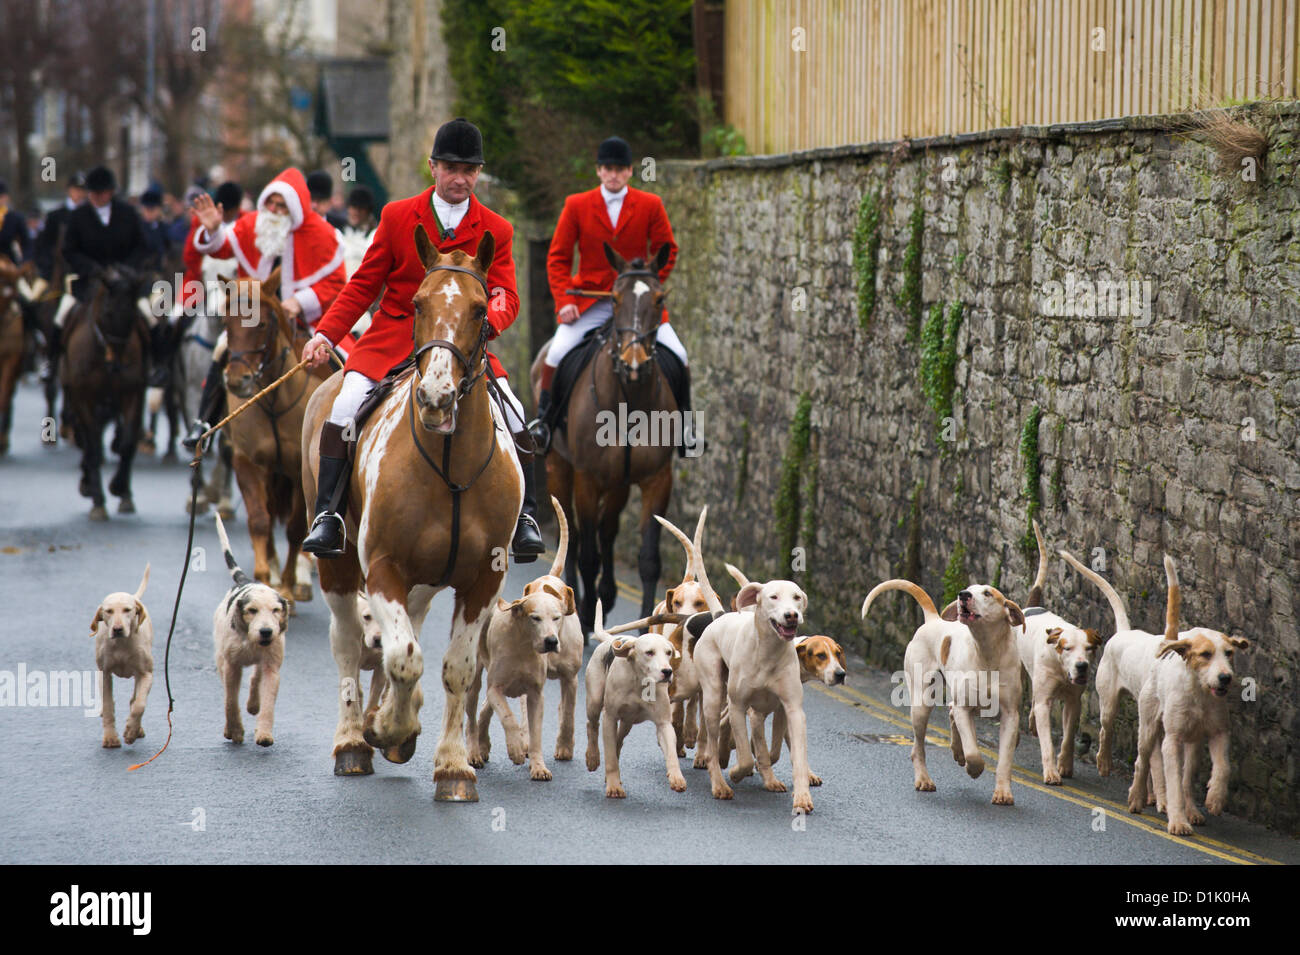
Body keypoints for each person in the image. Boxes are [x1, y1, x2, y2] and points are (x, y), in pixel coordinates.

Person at [298, 117, 544, 561]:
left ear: (478, 173)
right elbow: (363, 285)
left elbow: (506, 291)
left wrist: (491, 321)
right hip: (396, 332)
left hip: (464, 343)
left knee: (517, 410)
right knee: (345, 402)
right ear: (433, 167)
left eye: (469, 170)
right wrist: (325, 334)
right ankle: (329, 516)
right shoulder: (396, 216)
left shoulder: (497, 229)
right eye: (451, 168)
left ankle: (526, 515)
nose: (461, 178)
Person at [530, 135, 697, 455]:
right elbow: (558, 258)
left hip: (637, 304)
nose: (614, 175)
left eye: (620, 169)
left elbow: (668, 249)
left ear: (631, 172)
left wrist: (646, 289)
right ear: (598, 171)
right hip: (591, 300)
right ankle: (544, 423)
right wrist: (564, 302)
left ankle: (686, 429)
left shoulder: (650, 205)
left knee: (680, 354)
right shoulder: (576, 205)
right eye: (608, 168)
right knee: (556, 353)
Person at [180, 168, 347, 451]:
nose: (275, 210)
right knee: (223, 348)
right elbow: (221, 248)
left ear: (295, 208)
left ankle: (346, 426)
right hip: (255, 314)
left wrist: (300, 301)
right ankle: (204, 422)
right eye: (271, 203)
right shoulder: (253, 224)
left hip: (307, 318)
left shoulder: (321, 233)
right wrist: (212, 230)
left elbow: (337, 282)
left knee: (344, 359)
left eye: (282, 205)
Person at [338, 185, 378, 279]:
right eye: (353, 207)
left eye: (360, 209)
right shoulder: (340, 233)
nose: (356, 212)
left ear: (368, 211)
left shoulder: (374, 235)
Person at [0, 180, 31, 263]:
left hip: (8, 261)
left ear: (6, 197)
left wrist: (25, 261)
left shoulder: (15, 218)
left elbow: (26, 242)